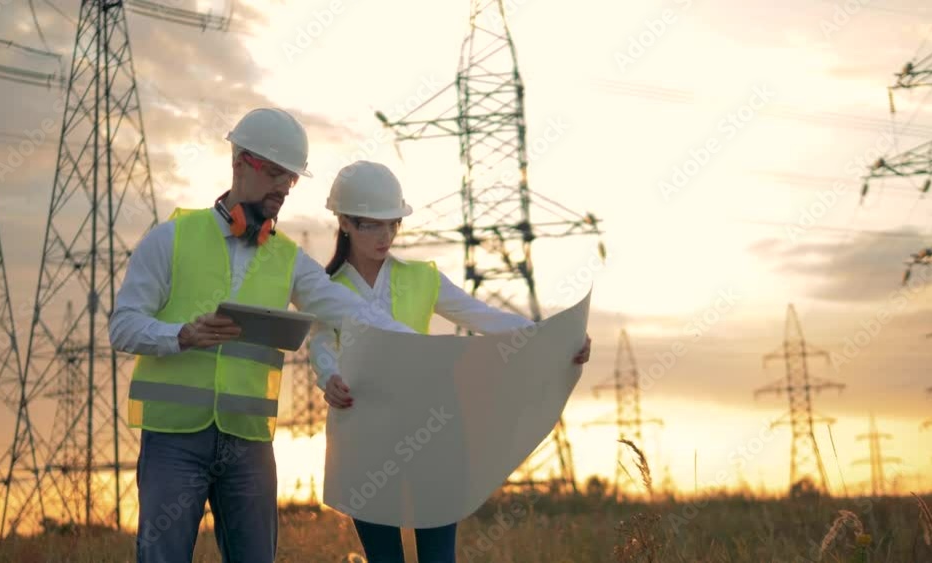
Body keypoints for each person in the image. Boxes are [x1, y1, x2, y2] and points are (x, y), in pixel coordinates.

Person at [108, 109, 416, 563]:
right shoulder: (170, 239)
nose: (282, 188)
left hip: (248, 443)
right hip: (173, 440)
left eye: (290, 179)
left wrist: (430, 347)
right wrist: (182, 335)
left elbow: (354, 312)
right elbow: (123, 324)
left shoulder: (288, 260)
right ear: (239, 162)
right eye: (274, 173)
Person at [309, 160, 592, 563]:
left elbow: (485, 318)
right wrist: (329, 378)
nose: (386, 235)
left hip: (431, 437)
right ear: (345, 223)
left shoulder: (423, 278)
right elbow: (320, 343)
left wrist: (554, 339)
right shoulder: (326, 289)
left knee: (439, 559)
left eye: (393, 224)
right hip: (363, 441)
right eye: (373, 224)